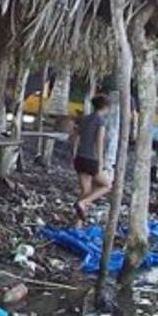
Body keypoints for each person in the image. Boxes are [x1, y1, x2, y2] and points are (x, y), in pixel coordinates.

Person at [70, 95, 113, 227]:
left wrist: (74, 153)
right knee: (107, 185)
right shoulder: (100, 121)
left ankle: (77, 225)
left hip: (80, 159)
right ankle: (83, 203)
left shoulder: (84, 119)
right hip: (91, 159)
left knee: (85, 190)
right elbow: (99, 143)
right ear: (105, 107)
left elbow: (73, 138)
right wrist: (100, 162)